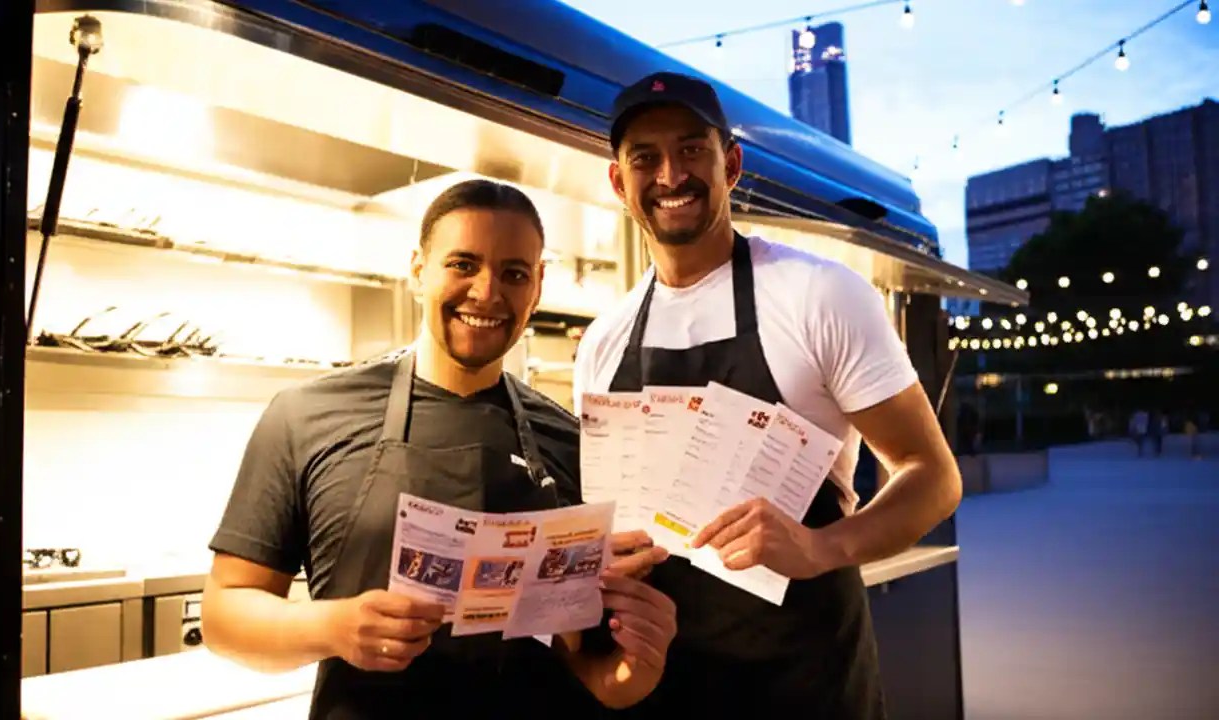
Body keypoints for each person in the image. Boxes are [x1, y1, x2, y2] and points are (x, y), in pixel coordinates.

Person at [202, 179, 677, 718]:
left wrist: (628, 668)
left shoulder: (572, 442)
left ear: (537, 286)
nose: (487, 292)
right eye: (462, 264)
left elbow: (578, 655)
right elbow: (224, 613)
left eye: (514, 273)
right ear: (417, 270)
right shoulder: (307, 415)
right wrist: (334, 627)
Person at [572, 71, 963, 717]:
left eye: (692, 149)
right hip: (667, 682)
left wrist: (821, 547)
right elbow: (611, 523)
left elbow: (933, 476)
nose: (671, 175)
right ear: (619, 182)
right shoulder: (604, 341)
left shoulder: (819, 295)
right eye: (645, 157)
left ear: (731, 164)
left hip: (807, 678)